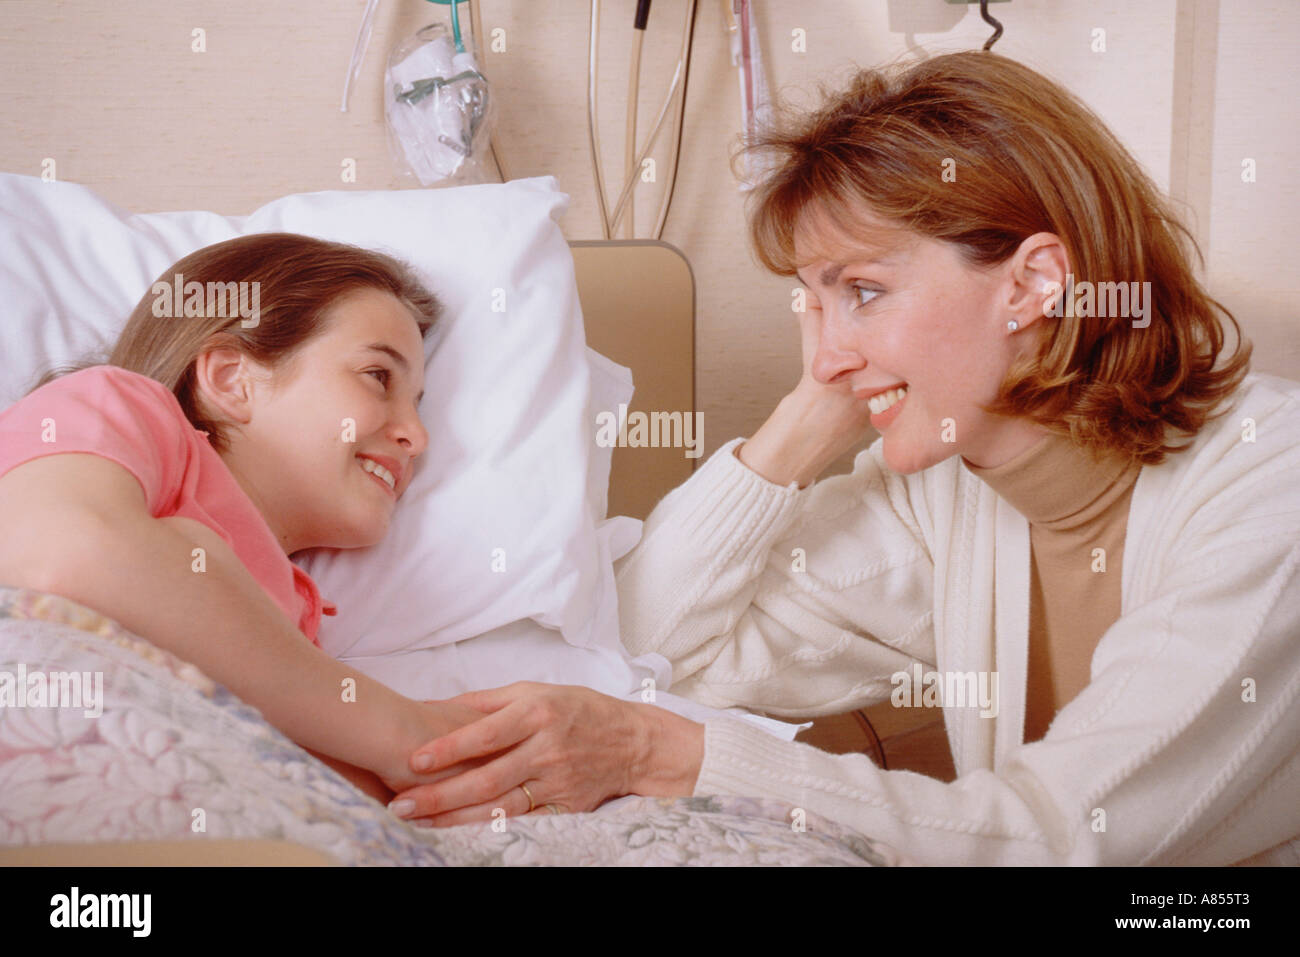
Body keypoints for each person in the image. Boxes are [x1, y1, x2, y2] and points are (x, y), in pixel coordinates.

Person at [388, 52, 1300, 865]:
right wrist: (812, 418)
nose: (824, 352)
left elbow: (1065, 839)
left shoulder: (1270, 488)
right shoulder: (947, 490)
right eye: (812, 304)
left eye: (864, 290)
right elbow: (645, 649)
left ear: (1034, 284)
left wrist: (654, 751)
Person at [0, 232, 492, 802]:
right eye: (379, 377)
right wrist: (404, 732)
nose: (417, 436)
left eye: (419, 403)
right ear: (231, 380)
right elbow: (65, 553)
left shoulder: (290, 617)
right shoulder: (121, 408)